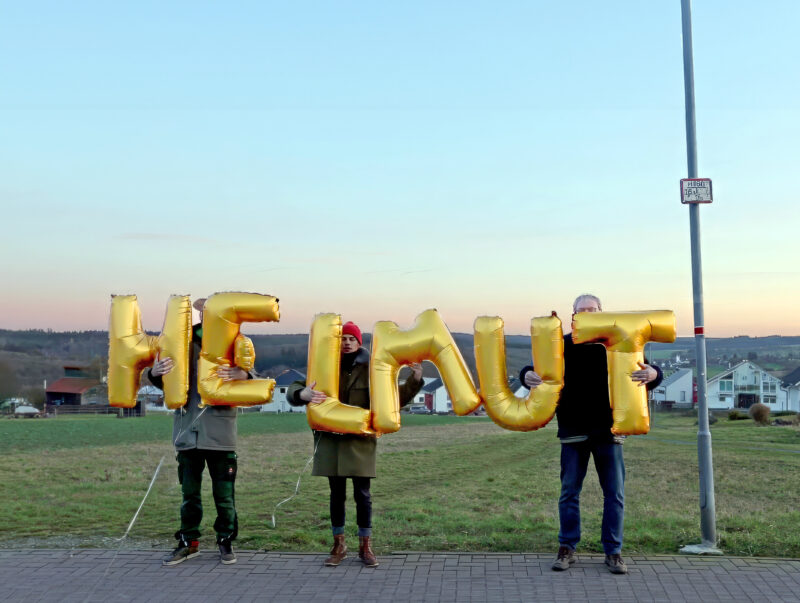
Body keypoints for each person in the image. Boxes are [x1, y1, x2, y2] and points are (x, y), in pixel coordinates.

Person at [520, 294, 663, 575]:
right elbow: (534, 371)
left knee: (614, 494)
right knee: (569, 493)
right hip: (573, 430)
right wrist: (526, 375)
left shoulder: (618, 341)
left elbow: (647, 372)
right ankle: (567, 548)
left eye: (592, 310)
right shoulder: (559, 344)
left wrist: (654, 374)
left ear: (601, 312)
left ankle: (613, 552)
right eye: (581, 310)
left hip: (609, 431)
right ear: (573, 315)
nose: (586, 313)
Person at [288, 321, 424, 568]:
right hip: (331, 443)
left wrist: (414, 380)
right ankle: (338, 545)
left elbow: (392, 399)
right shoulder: (323, 366)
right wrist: (302, 394)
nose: (347, 343)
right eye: (343, 338)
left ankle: (366, 547)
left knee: (363, 496)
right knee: (336, 496)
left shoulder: (372, 369)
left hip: (360, 443)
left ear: (360, 343)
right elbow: (297, 388)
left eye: (352, 339)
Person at [148, 298, 253, 566]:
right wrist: (153, 373)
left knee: (224, 497)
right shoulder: (180, 344)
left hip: (221, 436)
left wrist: (243, 375)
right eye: (206, 311)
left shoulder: (235, 345)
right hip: (187, 435)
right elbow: (166, 383)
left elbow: (252, 380)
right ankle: (188, 542)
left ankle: (225, 541)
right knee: (189, 497)